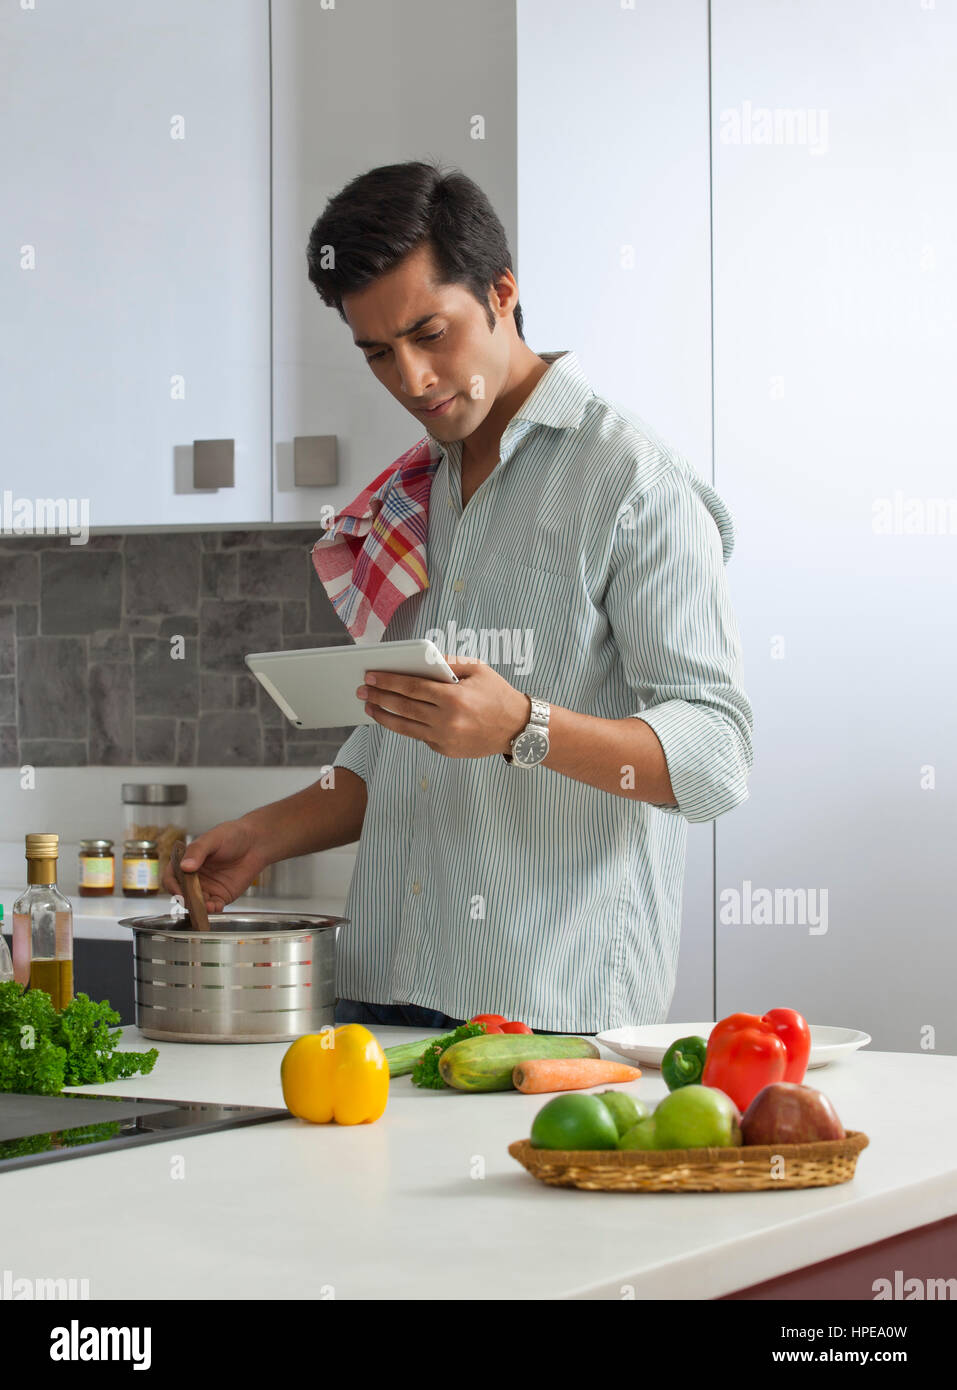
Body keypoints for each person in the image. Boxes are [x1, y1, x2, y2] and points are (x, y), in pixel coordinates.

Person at [162, 158, 754, 1033]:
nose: (410, 378)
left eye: (429, 333)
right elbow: (404, 745)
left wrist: (525, 728)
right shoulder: (413, 492)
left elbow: (718, 757)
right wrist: (269, 834)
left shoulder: (633, 484)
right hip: (383, 992)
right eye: (377, 353)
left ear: (501, 293)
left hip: (545, 1013)